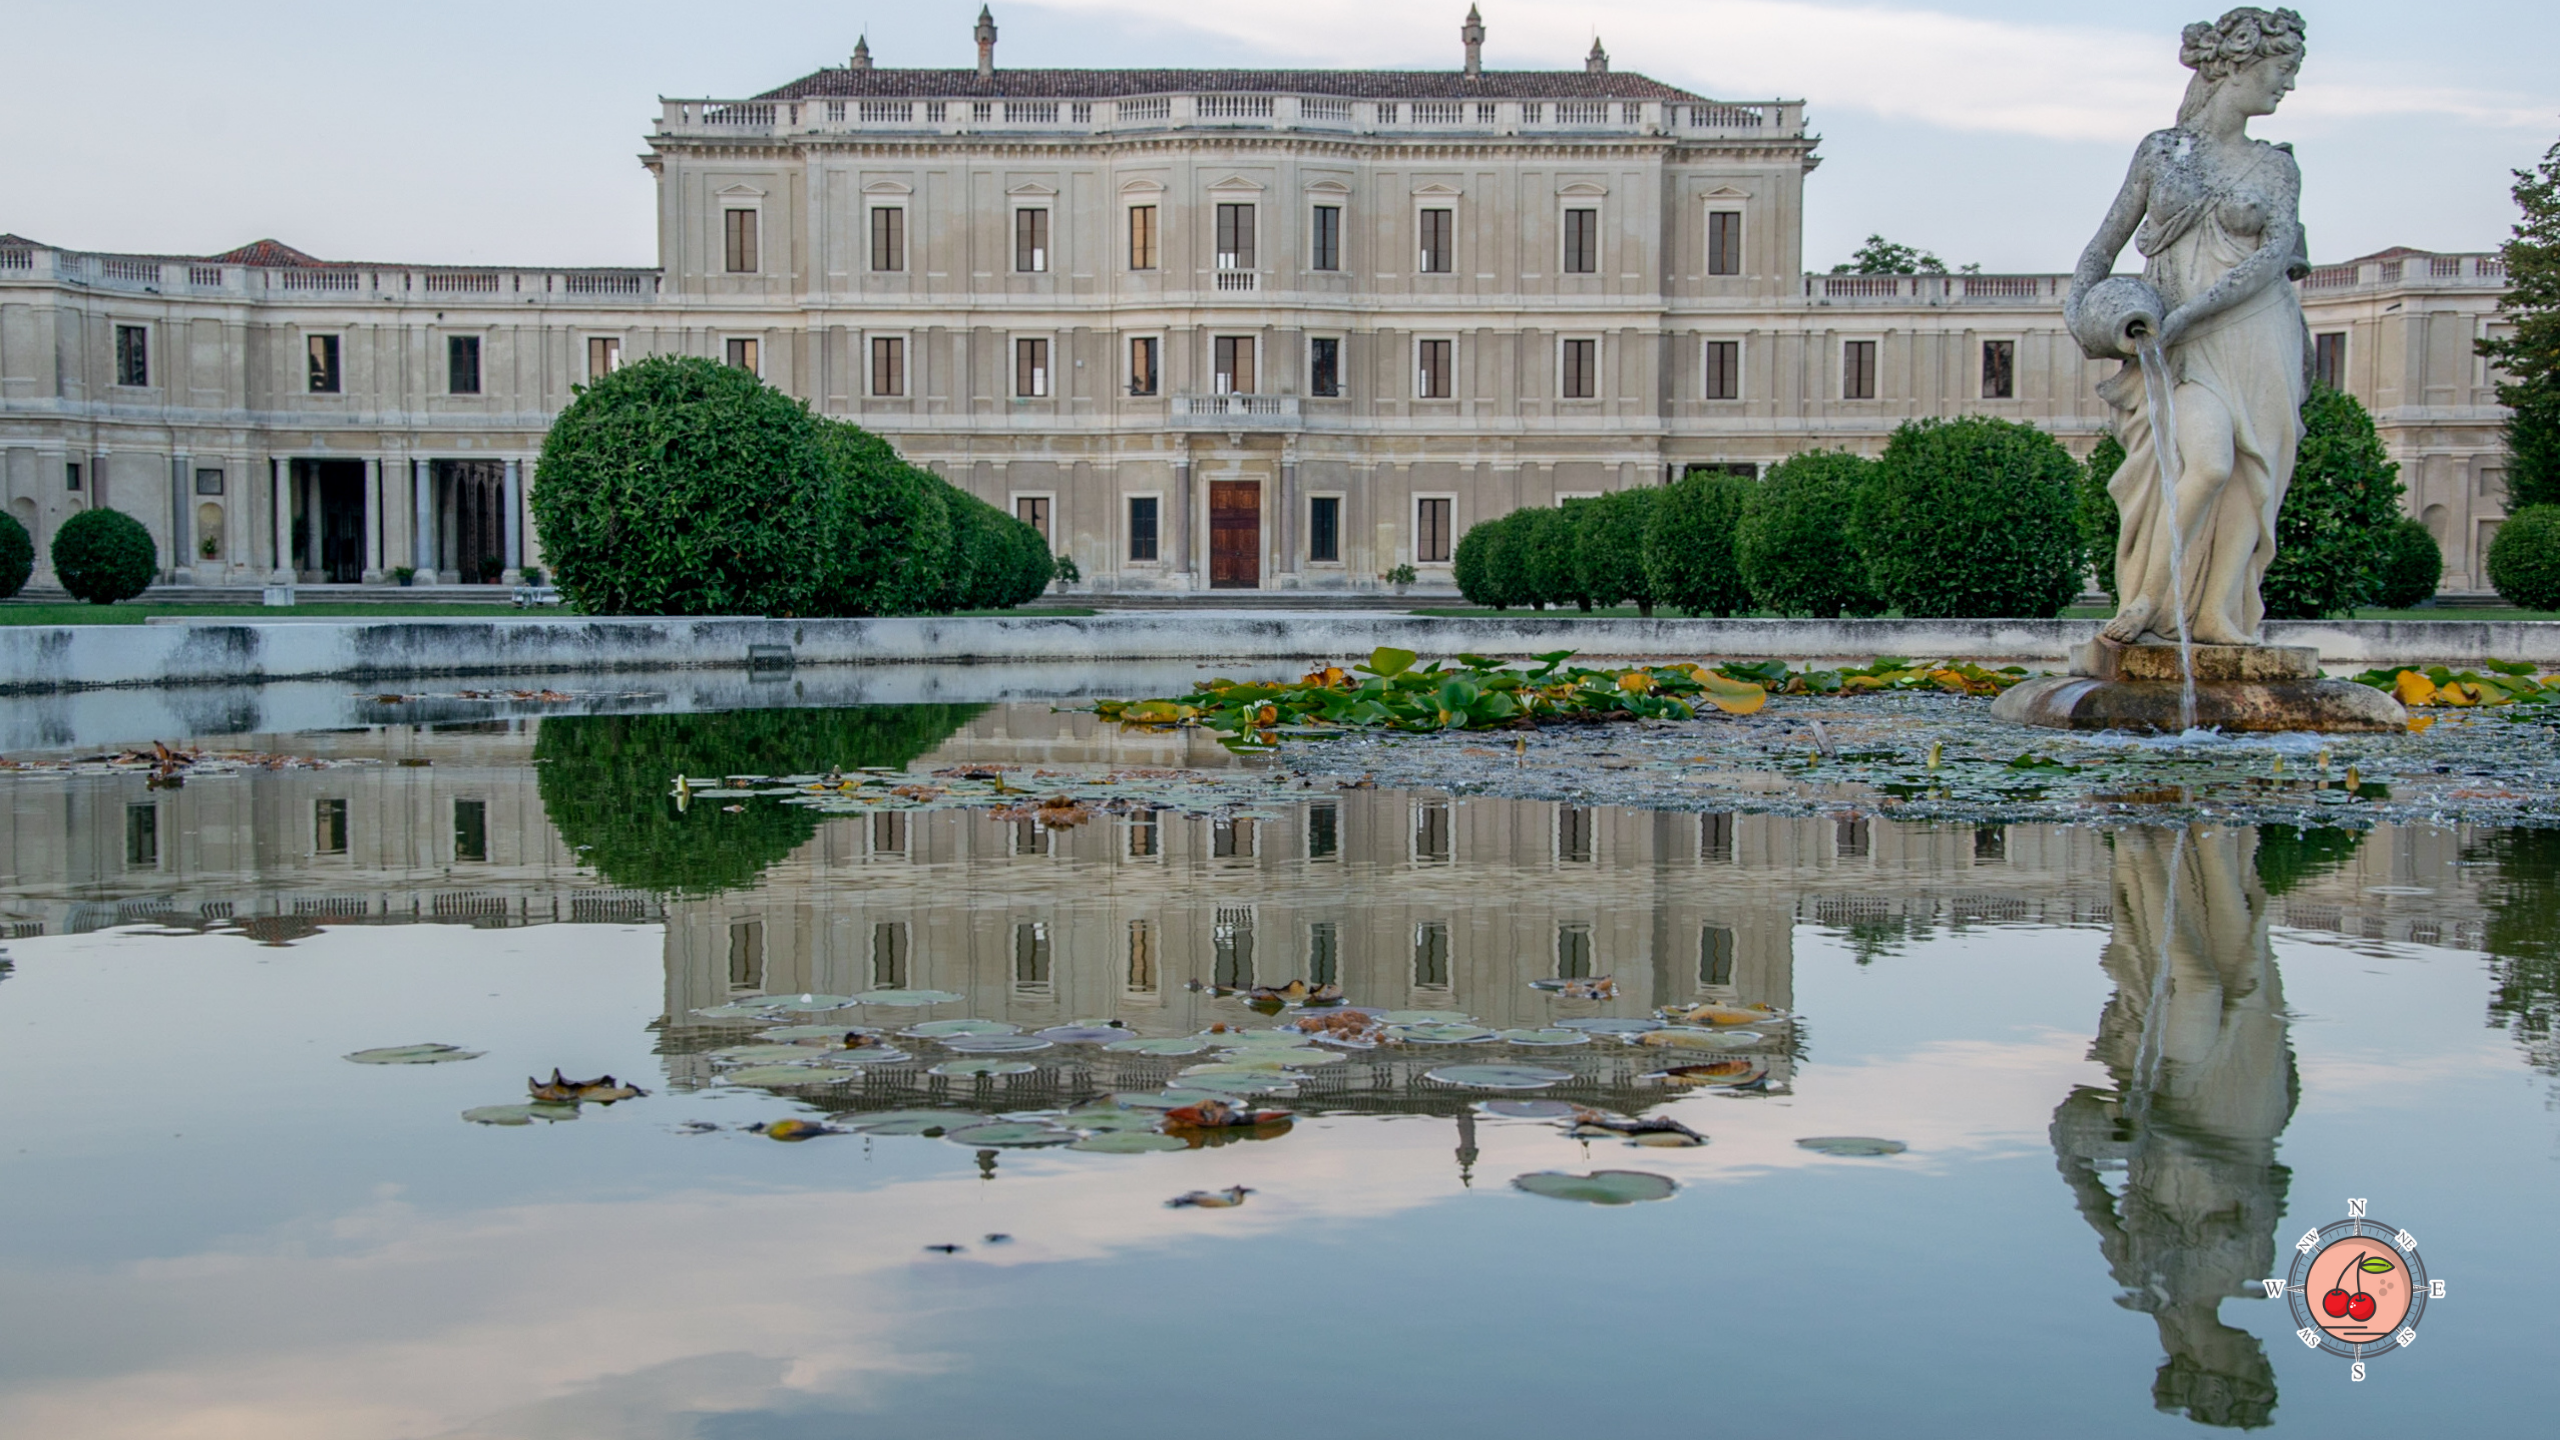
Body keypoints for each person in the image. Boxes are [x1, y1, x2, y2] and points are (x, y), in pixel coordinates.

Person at [2071, 8, 2311, 647]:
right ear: (2238, 65)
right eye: (2281, 70)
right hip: (2185, 352)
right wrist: (2083, 312)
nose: (2286, 85)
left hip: (2258, 336)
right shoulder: (2163, 152)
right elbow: (2101, 249)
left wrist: (2184, 316)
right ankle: (2148, 599)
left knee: (2251, 481)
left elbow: (2273, 257)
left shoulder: (2277, 167)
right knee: (2206, 464)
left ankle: (2215, 615)